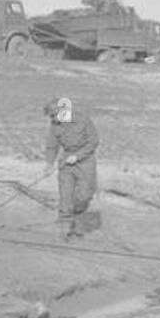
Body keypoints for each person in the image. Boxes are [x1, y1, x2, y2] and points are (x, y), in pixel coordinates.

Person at [42, 97, 100, 239]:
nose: (53, 118)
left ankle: (77, 217)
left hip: (85, 160)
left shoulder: (82, 120)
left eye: (54, 115)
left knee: (85, 195)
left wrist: (78, 156)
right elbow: (52, 146)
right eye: (51, 116)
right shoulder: (55, 125)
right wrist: (49, 164)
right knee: (65, 196)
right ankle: (64, 229)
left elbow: (94, 141)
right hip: (66, 161)